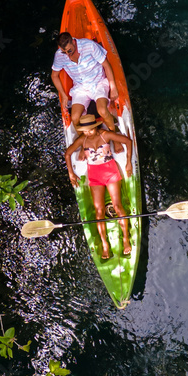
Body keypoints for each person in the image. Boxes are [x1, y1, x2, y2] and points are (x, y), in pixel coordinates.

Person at [65, 114, 133, 258]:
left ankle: (126, 238)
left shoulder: (105, 135)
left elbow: (128, 141)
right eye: (85, 130)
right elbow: (68, 154)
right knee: (98, 210)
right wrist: (71, 173)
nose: (87, 133)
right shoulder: (82, 140)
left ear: (95, 127)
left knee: (117, 206)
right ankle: (104, 244)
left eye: (90, 130)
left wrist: (128, 163)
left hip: (110, 172)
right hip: (95, 175)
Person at [51, 31, 118, 132]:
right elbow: (54, 75)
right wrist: (63, 95)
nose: (68, 55)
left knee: (102, 111)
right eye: (64, 52)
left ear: (73, 42)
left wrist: (113, 87)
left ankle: (114, 133)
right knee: (75, 118)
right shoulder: (59, 55)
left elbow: (106, 65)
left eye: (69, 51)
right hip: (80, 87)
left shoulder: (89, 45)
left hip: (98, 82)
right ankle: (85, 142)